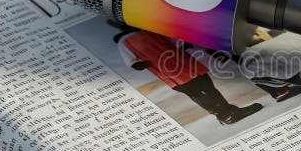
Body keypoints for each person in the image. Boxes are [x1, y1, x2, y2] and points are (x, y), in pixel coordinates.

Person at [111, 23, 263, 126]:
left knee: (209, 89)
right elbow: (134, 64)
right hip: (173, 74)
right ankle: (224, 115)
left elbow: (177, 42)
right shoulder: (124, 41)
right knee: (198, 94)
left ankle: (229, 111)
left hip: (187, 65)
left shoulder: (149, 29)